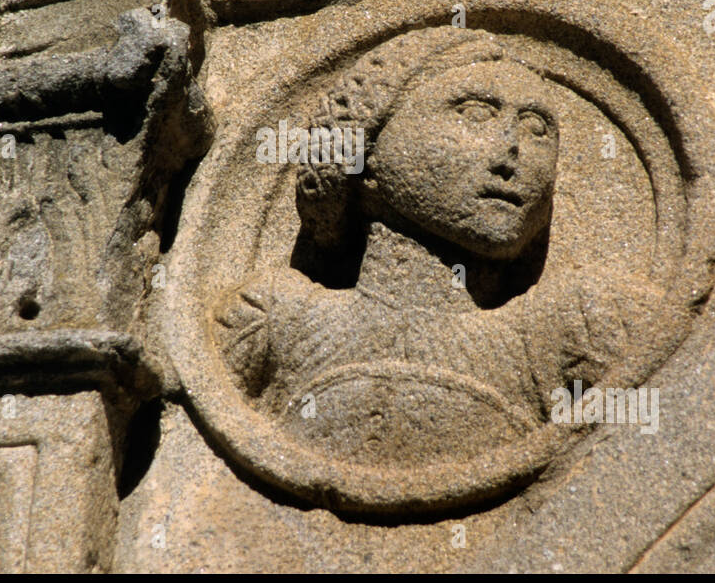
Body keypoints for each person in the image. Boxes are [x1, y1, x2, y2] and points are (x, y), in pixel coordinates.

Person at [213, 28, 671, 468]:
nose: (511, 152)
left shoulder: (572, 329)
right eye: (474, 113)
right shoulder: (273, 322)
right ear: (365, 155)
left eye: (537, 130)